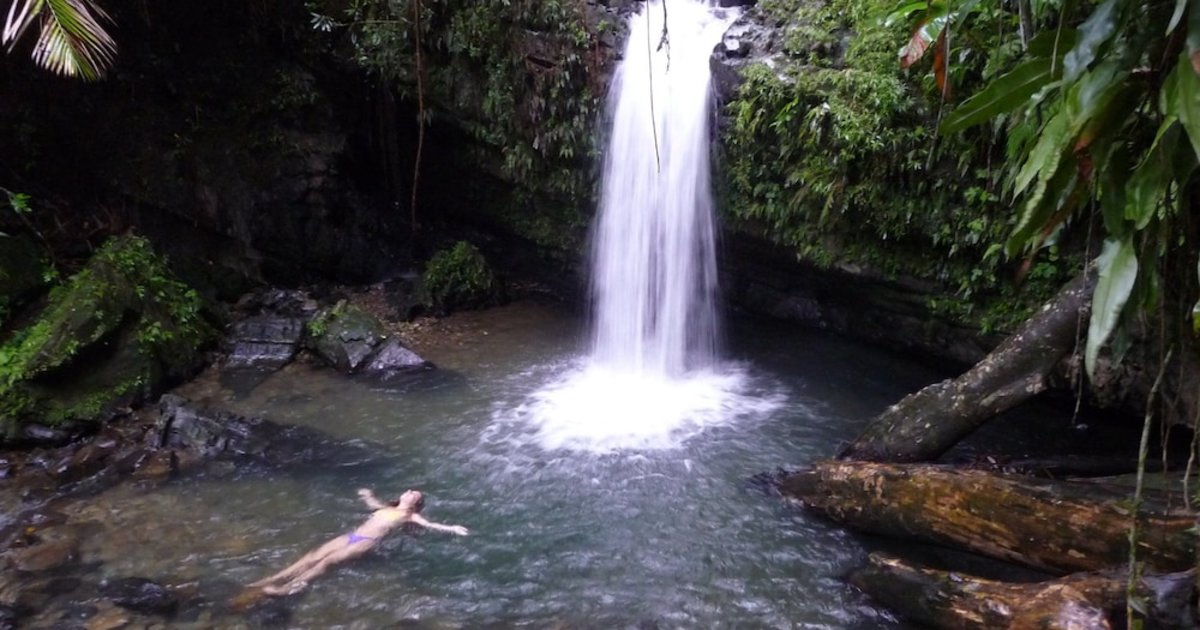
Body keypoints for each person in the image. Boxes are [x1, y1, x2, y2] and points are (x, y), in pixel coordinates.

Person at [249, 488, 468, 596]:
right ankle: (276, 578)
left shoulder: (410, 516)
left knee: (326, 563)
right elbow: (372, 503)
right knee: (312, 556)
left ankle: (287, 589)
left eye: (414, 494)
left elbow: (430, 524)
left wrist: (452, 528)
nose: (409, 491)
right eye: (409, 490)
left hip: (366, 541)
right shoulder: (387, 507)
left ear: (415, 504)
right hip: (352, 535)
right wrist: (366, 494)